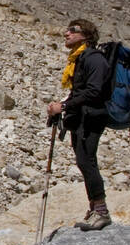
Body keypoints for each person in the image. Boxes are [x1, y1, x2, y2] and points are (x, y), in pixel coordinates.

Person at [46, 19, 111, 231]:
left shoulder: (93, 58)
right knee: (84, 161)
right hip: (84, 116)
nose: (66, 33)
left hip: (91, 117)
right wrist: (63, 106)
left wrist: (63, 106)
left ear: (86, 35)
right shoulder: (80, 59)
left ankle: (101, 212)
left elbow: (94, 91)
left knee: (86, 160)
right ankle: (95, 208)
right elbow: (82, 91)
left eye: (73, 30)